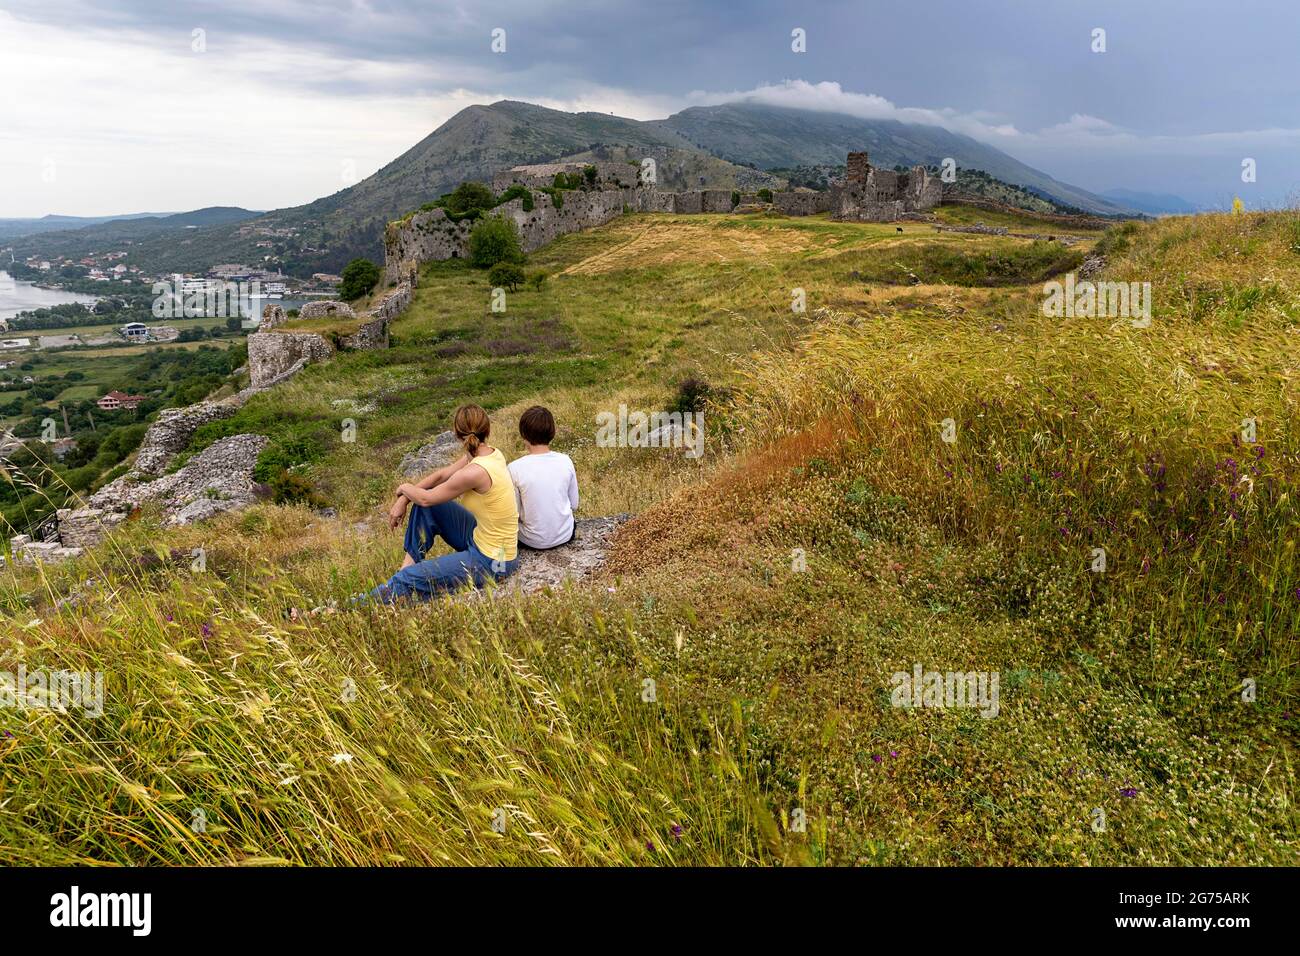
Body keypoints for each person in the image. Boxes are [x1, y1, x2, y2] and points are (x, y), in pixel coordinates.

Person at [367, 404, 520, 603]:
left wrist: (404, 488)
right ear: (487, 430)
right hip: (483, 538)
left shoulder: (474, 472)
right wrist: (404, 499)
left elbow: (424, 498)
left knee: (407, 581)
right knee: (428, 508)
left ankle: (357, 605)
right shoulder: (489, 453)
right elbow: (441, 476)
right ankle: (406, 569)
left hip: (494, 561)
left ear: (457, 434)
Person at [507, 405, 579, 550]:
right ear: (552, 432)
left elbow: (515, 513)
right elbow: (575, 504)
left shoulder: (514, 468)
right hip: (565, 535)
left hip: (532, 540)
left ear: (524, 435)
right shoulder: (565, 460)